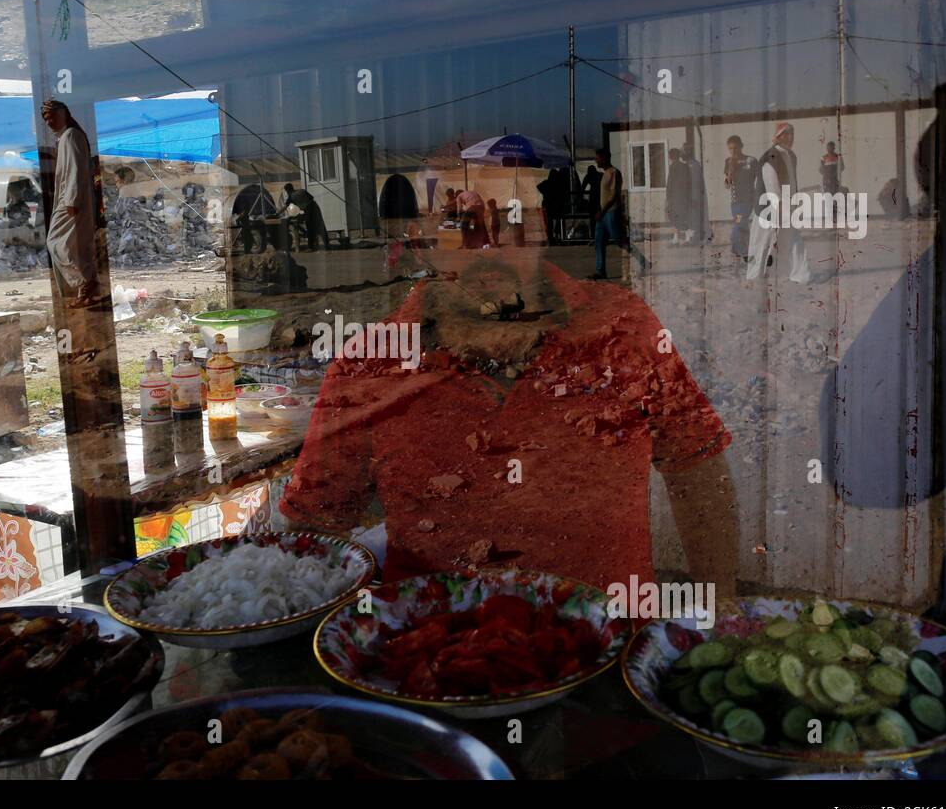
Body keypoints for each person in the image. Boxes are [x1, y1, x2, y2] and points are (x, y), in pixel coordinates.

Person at [280, 242, 739, 594]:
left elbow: (696, 470)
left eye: (510, 219)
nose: (489, 248)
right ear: (423, 239)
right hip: (429, 659)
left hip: (611, 654)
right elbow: (316, 527)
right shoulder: (371, 361)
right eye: (462, 222)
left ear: (540, 231)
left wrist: (717, 613)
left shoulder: (623, 326)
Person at [41, 98, 100, 307]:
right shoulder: (66, 137)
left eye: (52, 116)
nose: (49, 121)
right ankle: (87, 290)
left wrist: (72, 199)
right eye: (46, 118)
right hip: (71, 199)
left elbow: (75, 169)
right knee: (77, 246)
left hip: (72, 200)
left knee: (56, 243)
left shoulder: (71, 135)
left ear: (64, 114)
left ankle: (85, 283)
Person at [746, 122, 811, 284]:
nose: (790, 138)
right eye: (787, 134)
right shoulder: (771, 156)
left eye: (792, 134)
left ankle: (801, 274)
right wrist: (780, 205)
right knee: (761, 243)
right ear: (779, 137)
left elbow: (792, 182)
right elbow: (770, 182)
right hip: (768, 207)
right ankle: (754, 276)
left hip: (787, 207)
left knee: (794, 240)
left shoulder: (792, 156)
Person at [591, 148, 625, 279]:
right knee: (598, 241)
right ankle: (600, 270)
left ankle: (643, 262)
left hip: (610, 212)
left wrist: (603, 211)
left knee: (619, 240)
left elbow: (613, 195)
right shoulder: (605, 174)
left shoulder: (614, 173)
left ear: (604, 158)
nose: (596, 161)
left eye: (597, 158)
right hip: (603, 213)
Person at [723, 135, 755, 260]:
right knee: (742, 224)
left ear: (741, 146)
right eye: (730, 149)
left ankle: (742, 251)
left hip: (747, 200)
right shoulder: (728, 161)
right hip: (735, 201)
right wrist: (731, 170)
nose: (733, 151)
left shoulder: (750, 160)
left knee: (739, 223)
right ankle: (740, 248)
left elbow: (757, 178)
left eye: (735, 148)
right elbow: (727, 184)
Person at [282, 182, 332, 251]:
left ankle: (310, 247)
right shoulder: (302, 191)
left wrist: (277, 214)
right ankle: (327, 245)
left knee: (310, 228)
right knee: (320, 226)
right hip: (315, 208)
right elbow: (311, 198)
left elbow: (285, 207)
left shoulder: (291, 196)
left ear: (287, 190)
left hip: (309, 211)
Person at [682, 142, 709, 244]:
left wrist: (694, 197)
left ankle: (698, 237)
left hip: (695, 196)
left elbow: (695, 183)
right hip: (689, 196)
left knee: (696, 216)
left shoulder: (694, 165)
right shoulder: (687, 164)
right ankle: (692, 237)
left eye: (684, 151)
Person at [665, 147, 689, 242]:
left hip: (674, 197)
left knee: (674, 217)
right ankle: (685, 237)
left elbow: (670, 183)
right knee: (683, 216)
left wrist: (668, 197)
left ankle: (677, 237)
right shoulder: (684, 166)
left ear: (671, 156)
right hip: (683, 196)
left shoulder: (673, 166)